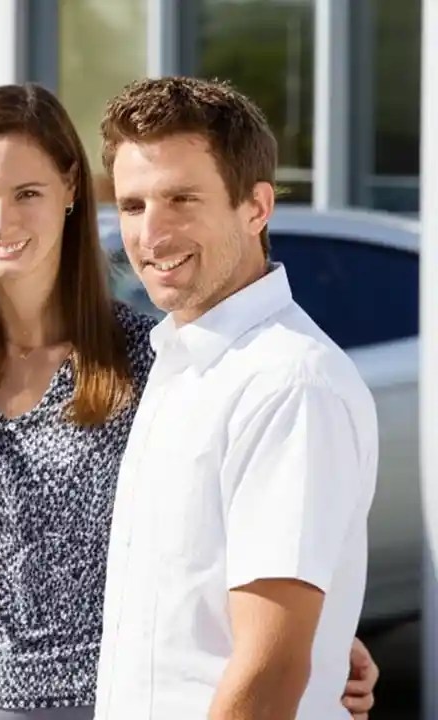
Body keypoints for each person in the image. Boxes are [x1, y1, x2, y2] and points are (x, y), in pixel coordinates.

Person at [0, 83, 380, 720]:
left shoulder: (149, 354)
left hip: (98, 698)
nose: (2, 222)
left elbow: (251, 600)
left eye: (27, 193)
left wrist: (316, 641)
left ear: (72, 191)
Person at [92, 76, 379, 720]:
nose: (151, 235)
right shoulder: (182, 363)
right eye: (133, 206)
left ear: (256, 207)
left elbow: (269, 666)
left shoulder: (288, 383)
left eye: (182, 200)